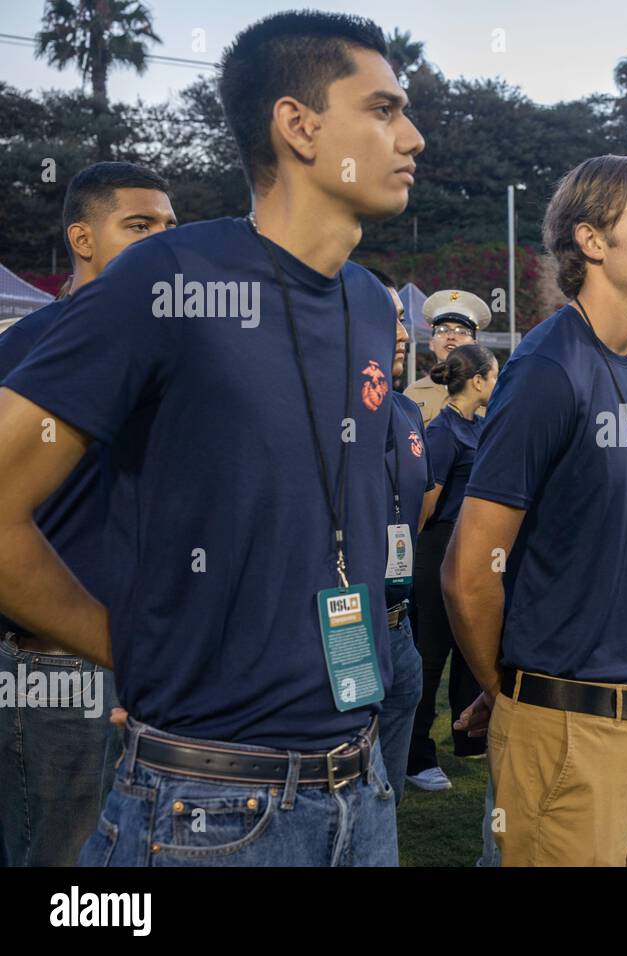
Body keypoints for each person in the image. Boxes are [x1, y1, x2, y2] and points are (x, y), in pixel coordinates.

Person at [0, 11, 423, 866]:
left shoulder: (374, 306)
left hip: (360, 784)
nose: (412, 137)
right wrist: (128, 644)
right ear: (298, 126)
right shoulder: (167, 277)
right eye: (383, 110)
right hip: (208, 805)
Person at [441, 154, 627, 867]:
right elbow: (468, 572)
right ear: (591, 241)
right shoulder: (548, 369)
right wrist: (513, 695)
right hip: (573, 731)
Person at [0, 161, 176, 866]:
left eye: (169, 227)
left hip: (151, 669)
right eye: (139, 226)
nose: (161, 242)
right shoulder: (26, 349)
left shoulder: (179, 350)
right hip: (61, 669)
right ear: (82, 237)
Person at [407, 342, 499, 790]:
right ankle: (415, 754)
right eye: (494, 375)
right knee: (429, 657)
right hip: (439, 545)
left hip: (470, 546)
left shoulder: (478, 427)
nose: (497, 384)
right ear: (478, 380)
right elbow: (425, 504)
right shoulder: (443, 432)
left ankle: (467, 738)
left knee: (469, 649)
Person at [370, 267, 438, 806]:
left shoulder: (408, 409)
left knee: (383, 805)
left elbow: (416, 506)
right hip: (339, 630)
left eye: (401, 318)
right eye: (387, 317)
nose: (401, 332)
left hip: (399, 629)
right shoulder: (316, 408)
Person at [404, 289, 492, 425]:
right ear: (431, 343)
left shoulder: (491, 394)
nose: (451, 336)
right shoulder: (413, 394)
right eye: (442, 330)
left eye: (461, 331)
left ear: (475, 345)